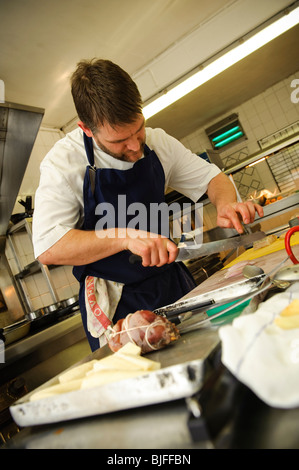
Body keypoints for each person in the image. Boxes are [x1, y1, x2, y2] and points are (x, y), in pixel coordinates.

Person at [32, 58, 263, 351]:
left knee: (216, 349)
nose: (134, 145)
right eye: (119, 140)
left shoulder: (157, 142)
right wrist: (126, 237)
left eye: (137, 129)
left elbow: (212, 179)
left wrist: (226, 205)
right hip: (116, 300)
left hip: (172, 277)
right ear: (86, 129)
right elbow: (49, 248)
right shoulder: (64, 164)